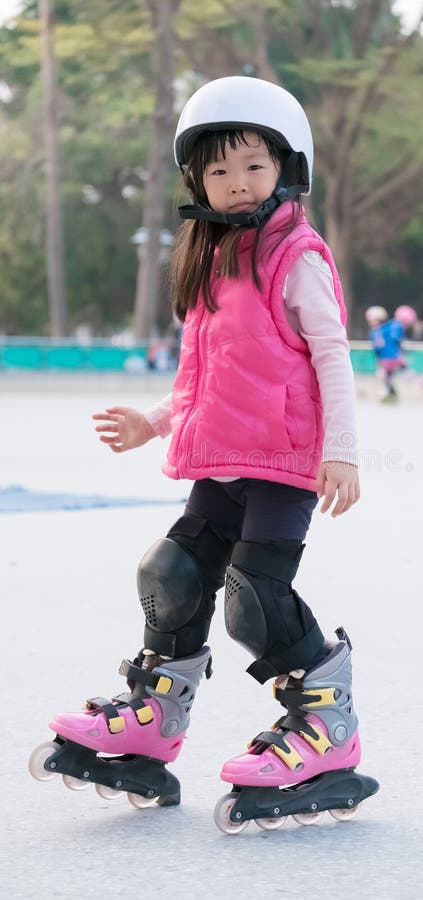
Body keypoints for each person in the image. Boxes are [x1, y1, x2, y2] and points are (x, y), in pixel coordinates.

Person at [30, 76, 378, 828]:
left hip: (282, 465)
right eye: (217, 171)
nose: (235, 183)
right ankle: (155, 721)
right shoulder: (213, 262)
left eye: (252, 165)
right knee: (173, 574)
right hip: (220, 461)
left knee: (255, 604)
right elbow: (204, 378)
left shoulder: (298, 257)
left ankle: (326, 726)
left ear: (287, 166)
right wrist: (153, 422)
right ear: (197, 182)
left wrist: (342, 452)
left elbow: (332, 356)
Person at [365, 305, 405, 402]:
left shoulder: (378, 331)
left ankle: (386, 395)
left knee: (383, 377)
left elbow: (378, 348)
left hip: (388, 359)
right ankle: (391, 394)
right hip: (390, 358)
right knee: (388, 378)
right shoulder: (391, 327)